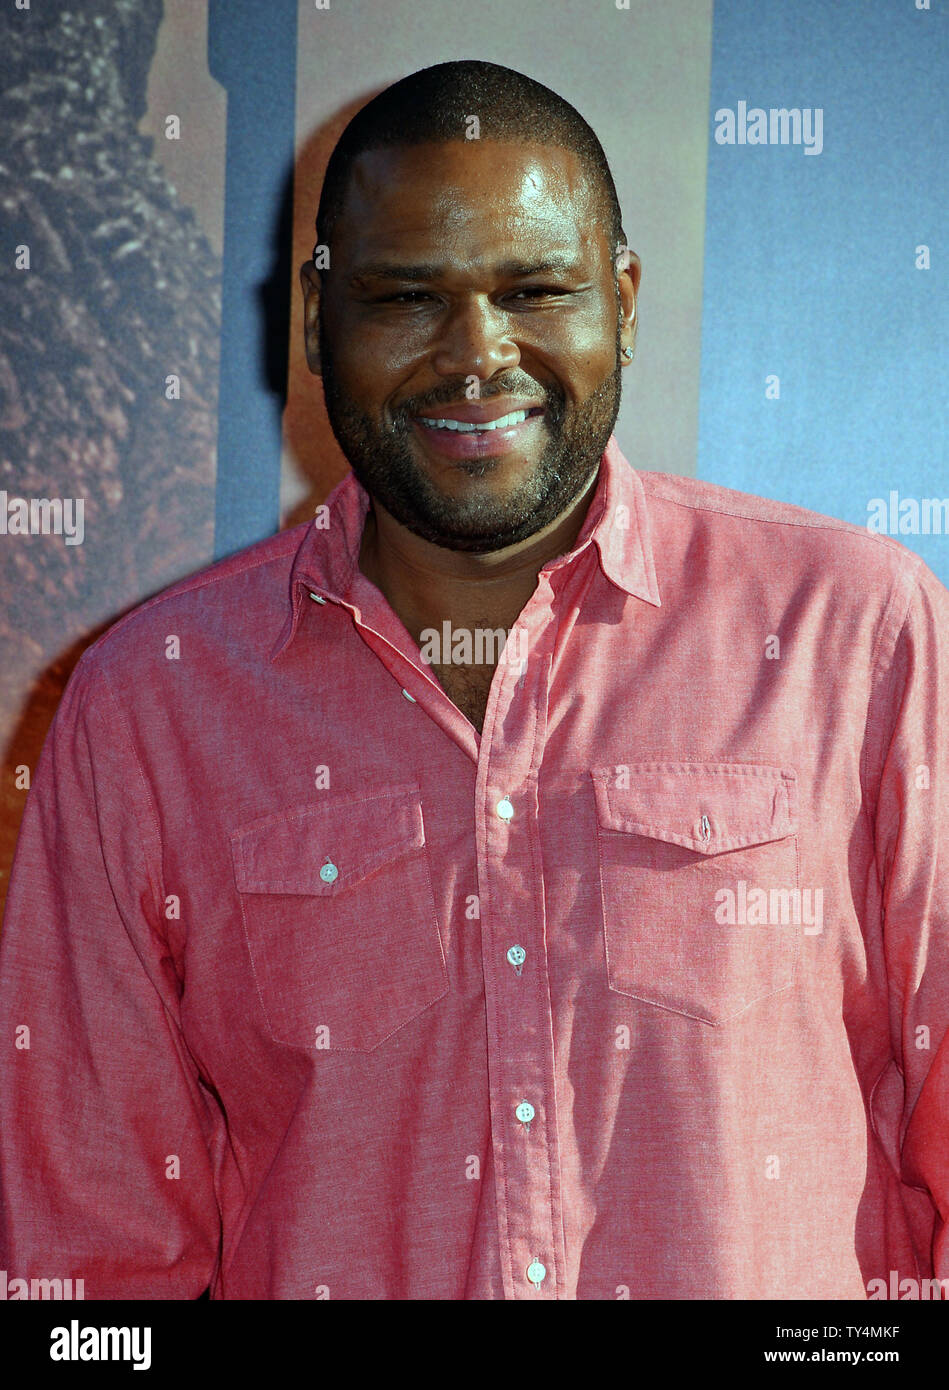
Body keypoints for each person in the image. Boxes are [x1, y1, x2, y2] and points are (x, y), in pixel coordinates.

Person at [0, 59, 946, 1302]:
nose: (476, 355)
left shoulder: (857, 633)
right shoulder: (151, 706)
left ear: (623, 300)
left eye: (535, 290)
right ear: (312, 321)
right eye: (405, 297)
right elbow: (90, 1273)